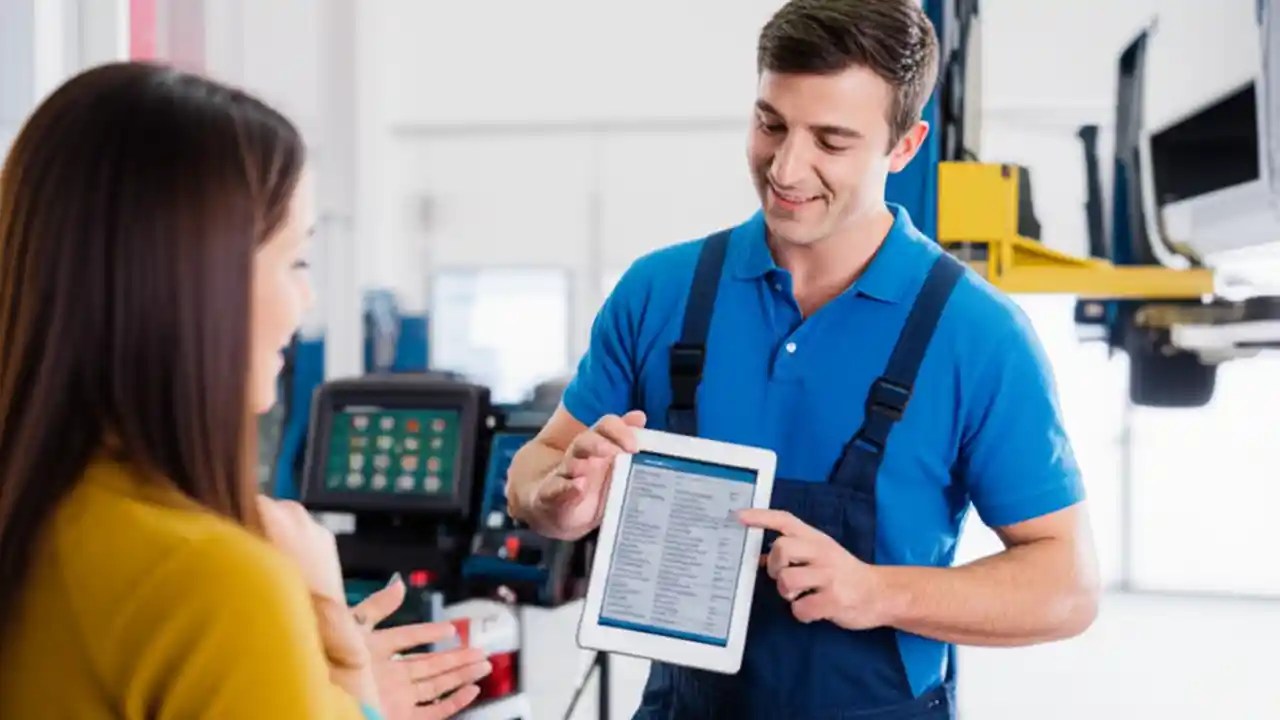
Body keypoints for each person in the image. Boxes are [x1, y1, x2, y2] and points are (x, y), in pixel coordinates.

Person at [505, 1, 1101, 717]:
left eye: (831, 140)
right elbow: (536, 470)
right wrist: (560, 499)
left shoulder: (976, 334)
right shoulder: (658, 292)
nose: (787, 167)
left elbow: (1066, 585)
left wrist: (877, 591)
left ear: (904, 147)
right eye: (771, 124)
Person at [0, 62, 489, 719]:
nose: (305, 299)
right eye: (296, 261)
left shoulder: (45, 523)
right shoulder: (215, 586)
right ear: (199, 285)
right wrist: (346, 676)